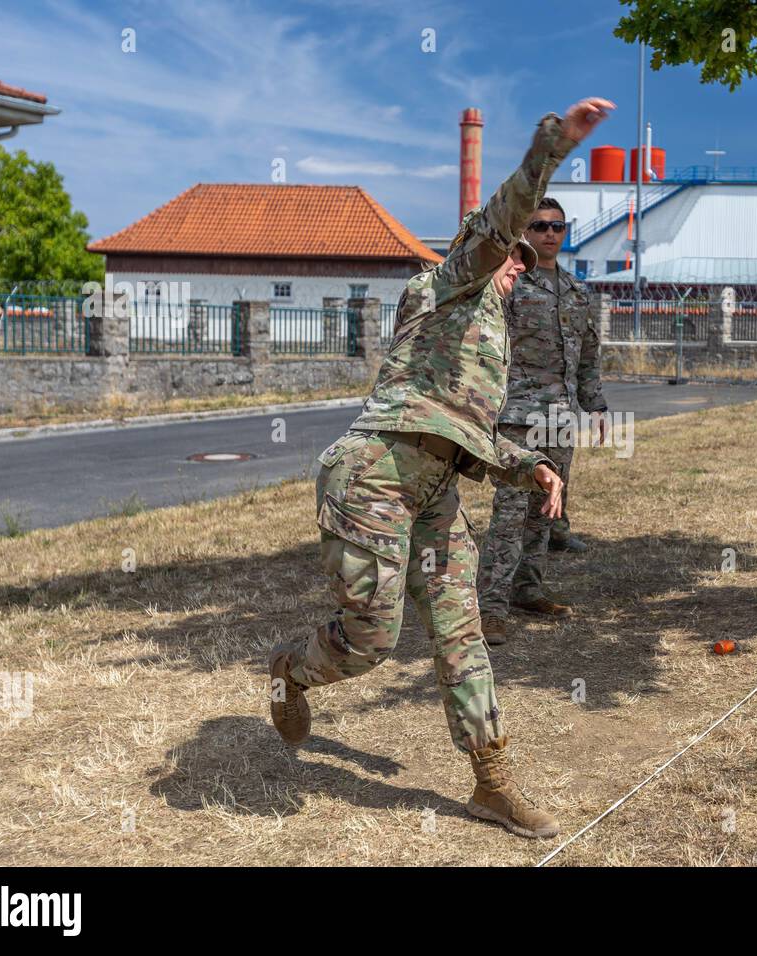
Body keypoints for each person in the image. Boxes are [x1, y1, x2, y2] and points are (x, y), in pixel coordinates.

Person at [267, 98, 614, 840]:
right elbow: (499, 220)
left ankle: (493, 782)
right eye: (518, 254)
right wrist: (552, 147)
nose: (522, 267)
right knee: (371, 643)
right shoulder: (451, 284)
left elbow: (471, 431)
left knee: (463, 637)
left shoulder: (486, 331)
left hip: (433, 494)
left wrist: (535, 469)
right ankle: (291, 670)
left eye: (527, 259)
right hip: (374, 479)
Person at [476, 197, 608, 644]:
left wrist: (597, 405)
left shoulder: (577, 291)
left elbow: (588, 354)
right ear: (526, 233)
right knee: (510, 514)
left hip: (560, 418)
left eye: (558, 226)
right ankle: (490, 607)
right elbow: (488, 346)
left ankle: (527, 590)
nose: (550, 233)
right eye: (540, 226)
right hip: (516, 415)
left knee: (543, 513)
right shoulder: (512, 284)